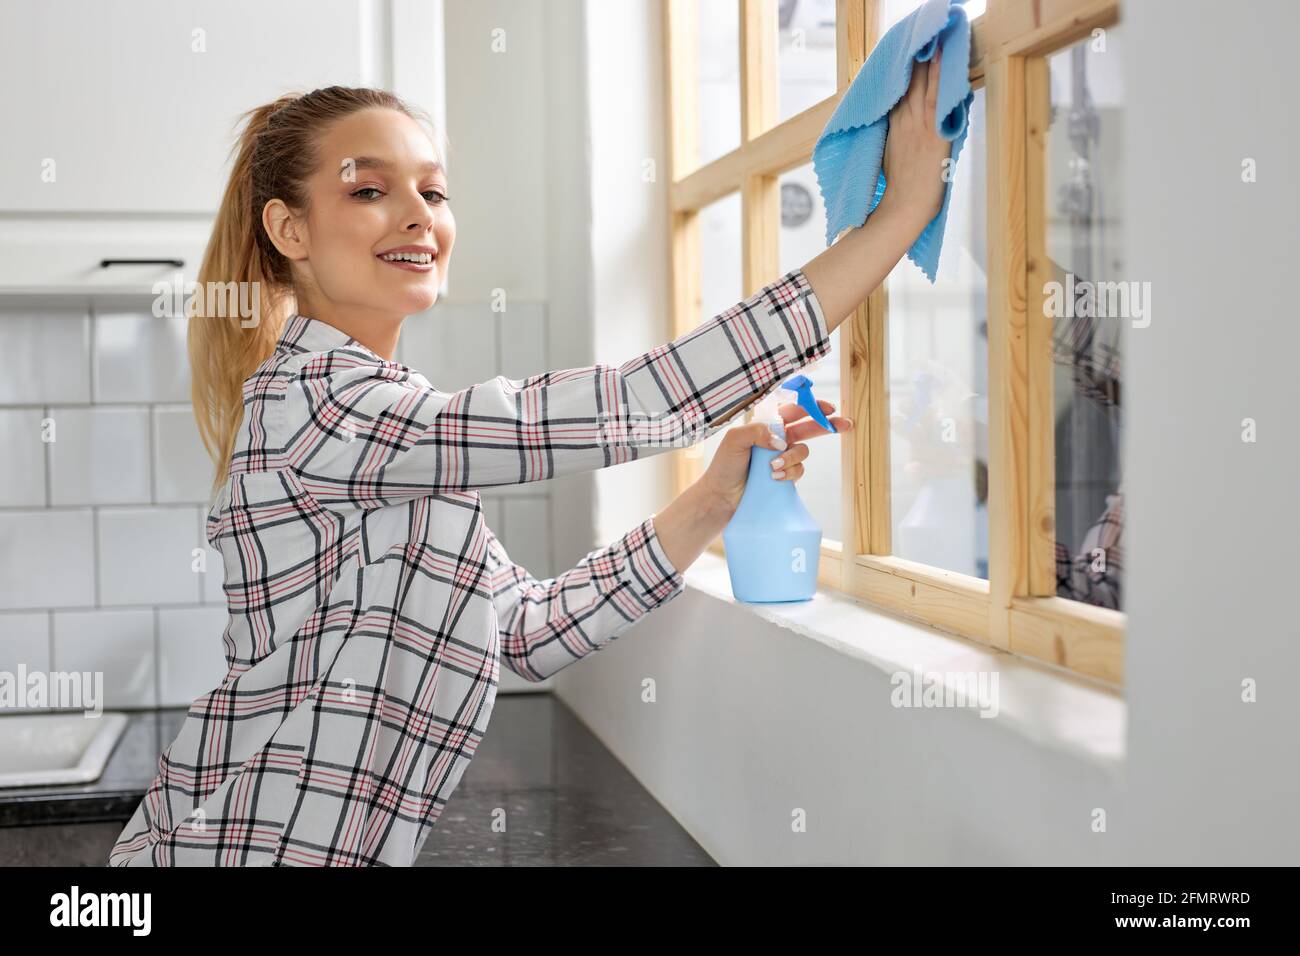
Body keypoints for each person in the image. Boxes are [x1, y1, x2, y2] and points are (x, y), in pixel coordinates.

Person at [109, 52, 951, 866]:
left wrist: (709, 502)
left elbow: (521, 633)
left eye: (433, 191)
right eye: (369, 190)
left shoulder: (389, 423)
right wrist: (898, 216)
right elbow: (636, 401)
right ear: (289, 228)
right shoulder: (319, 405)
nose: (418, 215)